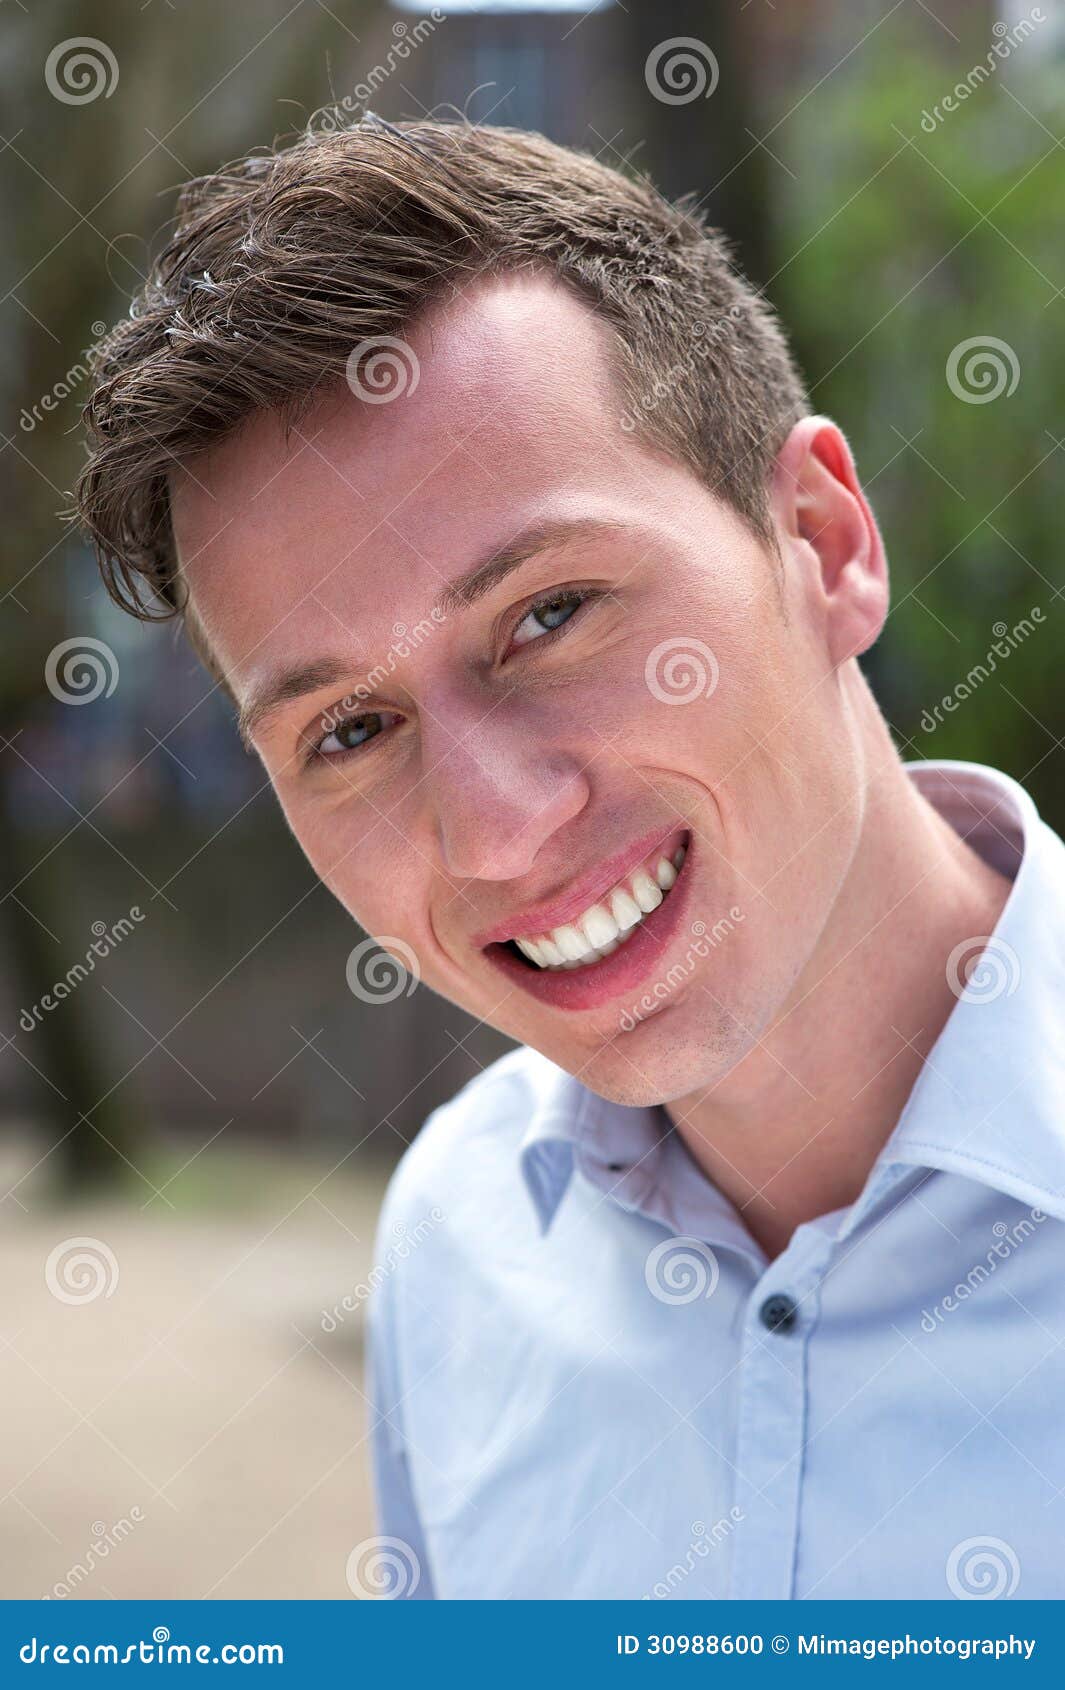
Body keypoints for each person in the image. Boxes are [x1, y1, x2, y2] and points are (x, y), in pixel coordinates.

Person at [75, 118, 1063, 1602]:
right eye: (350, 729)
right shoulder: (458, 1240)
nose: (494, 829)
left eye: (549, 614)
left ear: (822, 541)